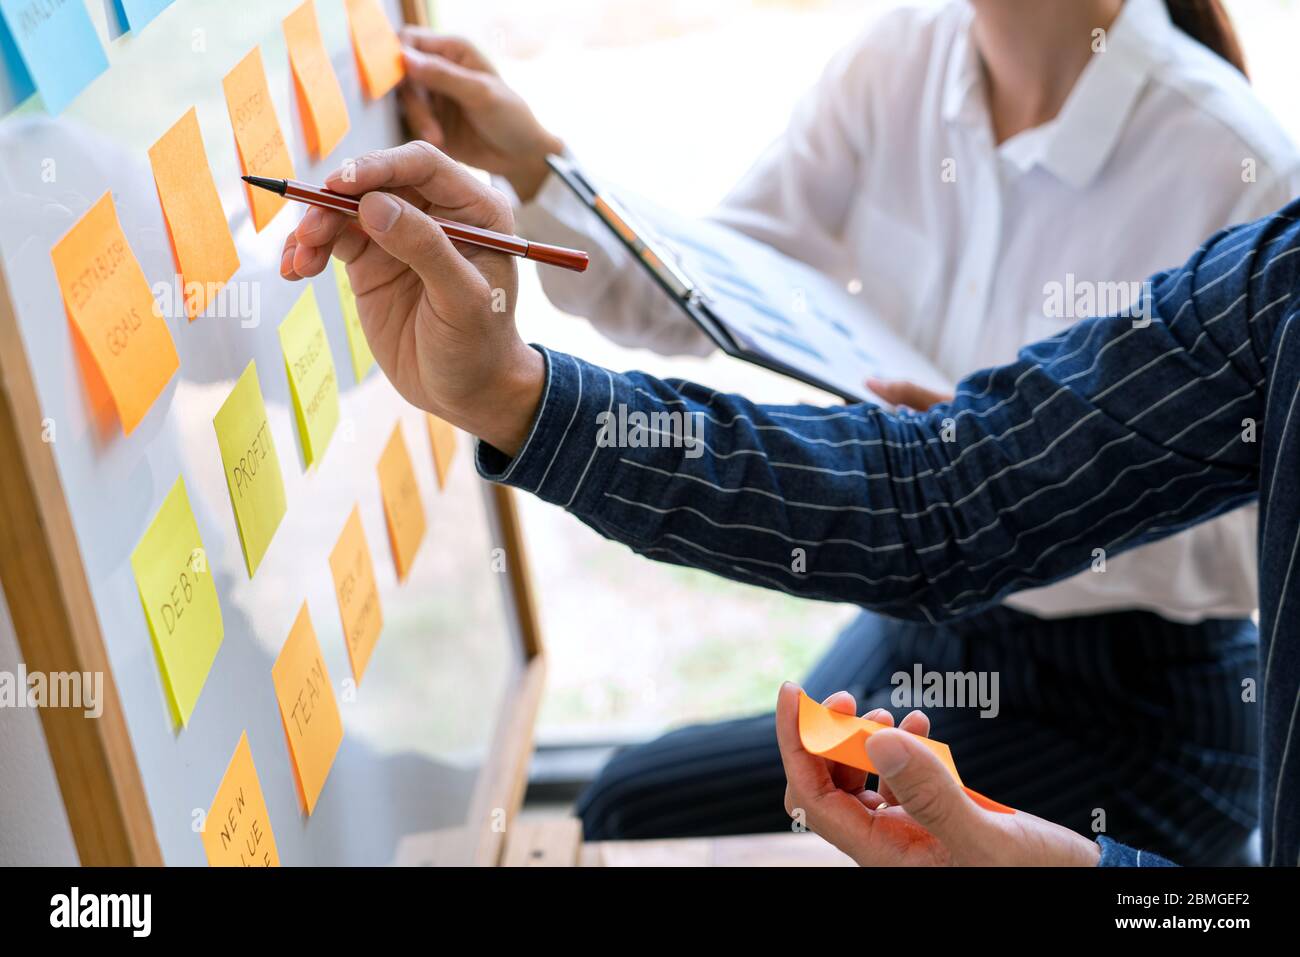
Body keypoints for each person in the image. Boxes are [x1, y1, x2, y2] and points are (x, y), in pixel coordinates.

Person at [388, 0, 1300, 860]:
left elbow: (1227, 546)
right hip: (925, 613)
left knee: (638, 805)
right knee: (682, 792)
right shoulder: (902, 56)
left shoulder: (1234, 163)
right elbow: (721, 293)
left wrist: (996, 452)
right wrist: (543, 171)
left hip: (1132, 693)